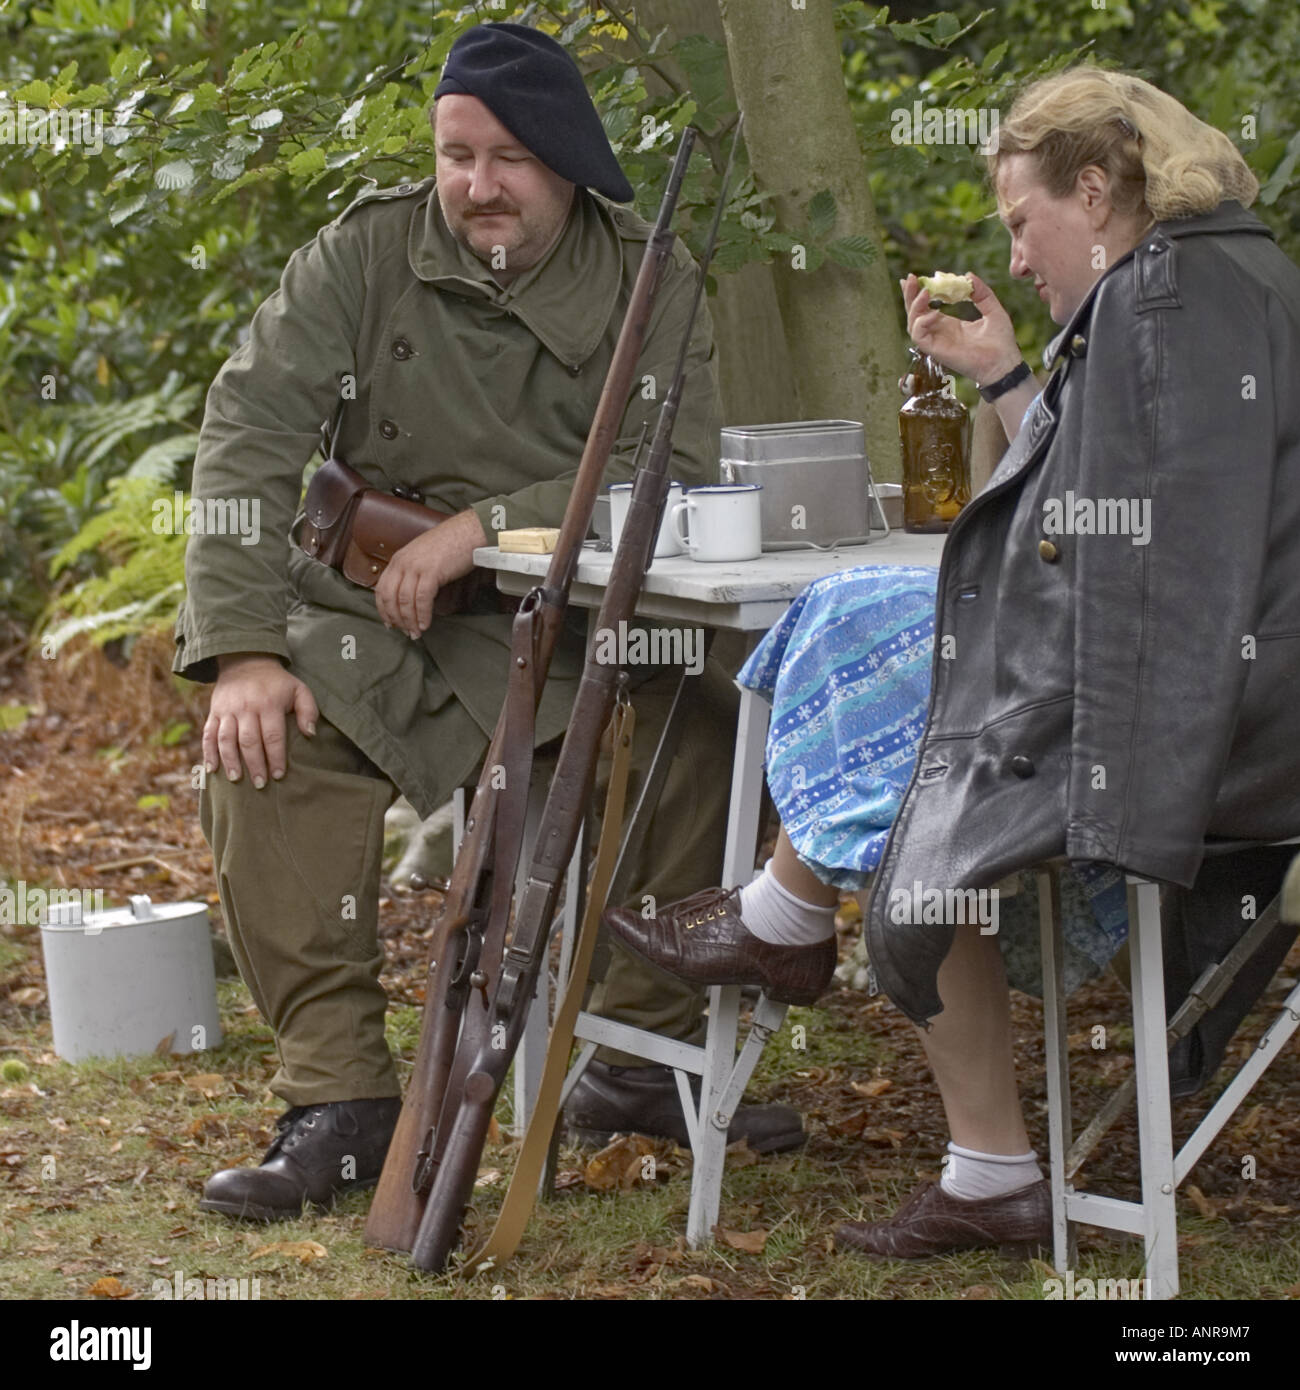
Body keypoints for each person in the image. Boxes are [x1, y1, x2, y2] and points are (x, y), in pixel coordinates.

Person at [606, 66, 1300, 1257]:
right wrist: (1001, 376)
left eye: (1026, 225)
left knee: (879, 652)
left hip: (1214, 733)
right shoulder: (1238, 273)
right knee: (893, 641)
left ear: (1095, 188)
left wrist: (996, 650)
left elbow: (1144, 568)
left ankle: (802, 931)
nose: (1020, 262)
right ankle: (811, 941)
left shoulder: (1163, 299)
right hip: (1244, 706)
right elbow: (1119, 501)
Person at [177, 22, 802, 1223]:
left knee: (707, 736)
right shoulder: (361, 254)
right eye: (457, 154)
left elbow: (674, 462)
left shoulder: (649, 277)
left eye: (509, 158)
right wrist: (245, 652)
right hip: (374, 626)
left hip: (568, 632)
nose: (477, 185)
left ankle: (636, 1065)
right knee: (269, 746)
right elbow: (246, 435)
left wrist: (485, 527)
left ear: (567, 162)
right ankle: (344, 1104)